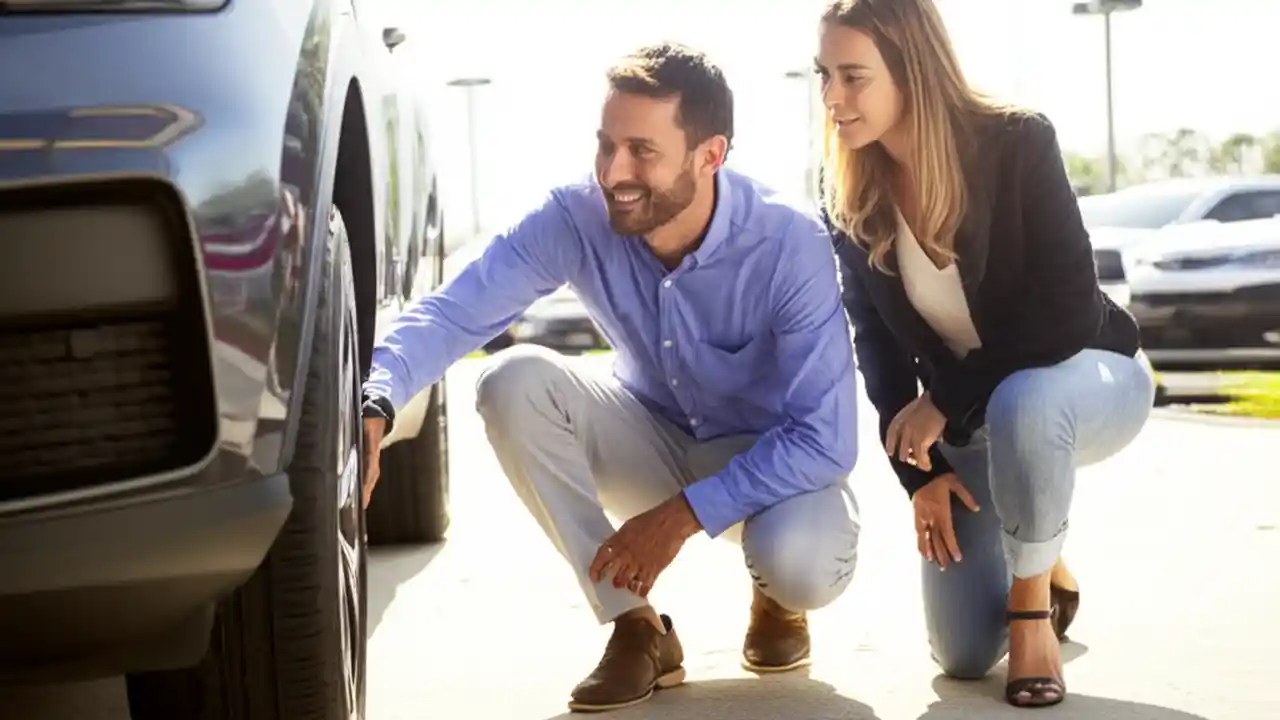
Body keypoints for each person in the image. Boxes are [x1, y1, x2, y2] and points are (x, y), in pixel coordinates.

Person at [360, 42, 862, 713]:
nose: (613, 172)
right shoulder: (574, 219)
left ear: (709, 155)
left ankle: (774, 597)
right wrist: (377, 397)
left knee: (802, 565)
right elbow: (456, 311)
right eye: (605, 145)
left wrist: (682, 517)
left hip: (765, 470)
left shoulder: (788, 243)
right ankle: (635, 627)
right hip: (648, 437)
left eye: (641, 151)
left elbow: (826, 439)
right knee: (510, 382)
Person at [813, 0, 1155, 709]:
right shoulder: (850, 195)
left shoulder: (1015, 142)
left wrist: (944, 398)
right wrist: (924, 478)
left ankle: (1031, 607)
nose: (832, 99)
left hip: (1092, 378)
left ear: (912, 70)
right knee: (964, 654)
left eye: (852, 76)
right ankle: (1043, 550)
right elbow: (874, 348)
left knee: (1024, 398)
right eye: (824, 76)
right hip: (978, 415)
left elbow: (1068, 309)